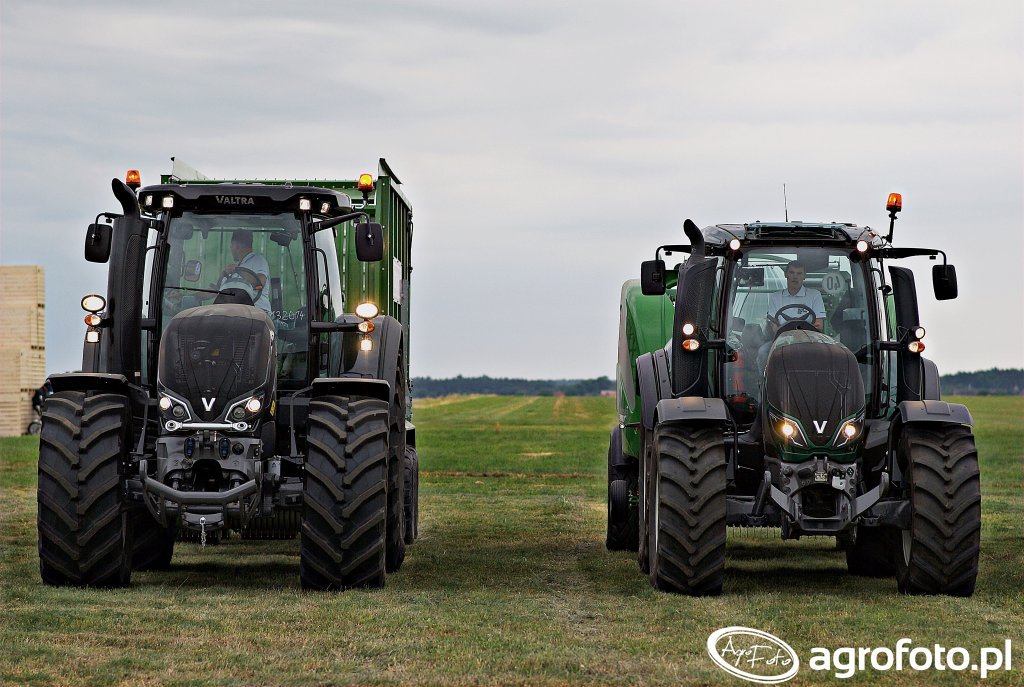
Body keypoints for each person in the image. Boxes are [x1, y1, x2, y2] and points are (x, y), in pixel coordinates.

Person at [756, 260, 826, 369]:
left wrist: (801, 337)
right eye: (792, 272)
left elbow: (819, 324)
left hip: (808, 340)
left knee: (828, 355)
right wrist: (786, 338)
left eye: (799, 273)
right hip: (782, 340)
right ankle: (764, 383)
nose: (795, 277)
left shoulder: (814, 295)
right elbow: (774, 325)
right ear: (786, 274)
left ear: (804, 276)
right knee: (763, 352)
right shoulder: (776, 297)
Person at [219, 230, 272, 317]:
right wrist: (193, 297)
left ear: (236, 245)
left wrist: (238, 270)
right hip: (236, 314)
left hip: (258, 315)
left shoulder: (258, 261)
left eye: (231, 246)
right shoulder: (236, 268)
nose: (231, 249)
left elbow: (260, 282)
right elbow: (217, 290)